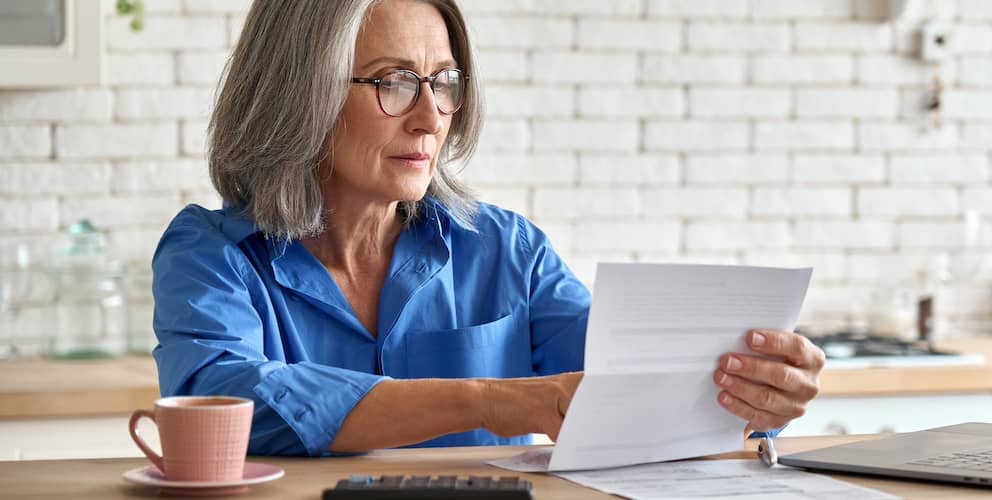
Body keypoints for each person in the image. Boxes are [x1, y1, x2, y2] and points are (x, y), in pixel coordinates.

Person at [151, 0, 826, 457]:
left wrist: (747, 396)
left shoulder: (509, 252)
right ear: (300, 92)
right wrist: (489, 401)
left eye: (443, 81)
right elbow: (223, 403)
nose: (431, 116)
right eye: (394, 82)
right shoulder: (211, 254)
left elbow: (628, 386)